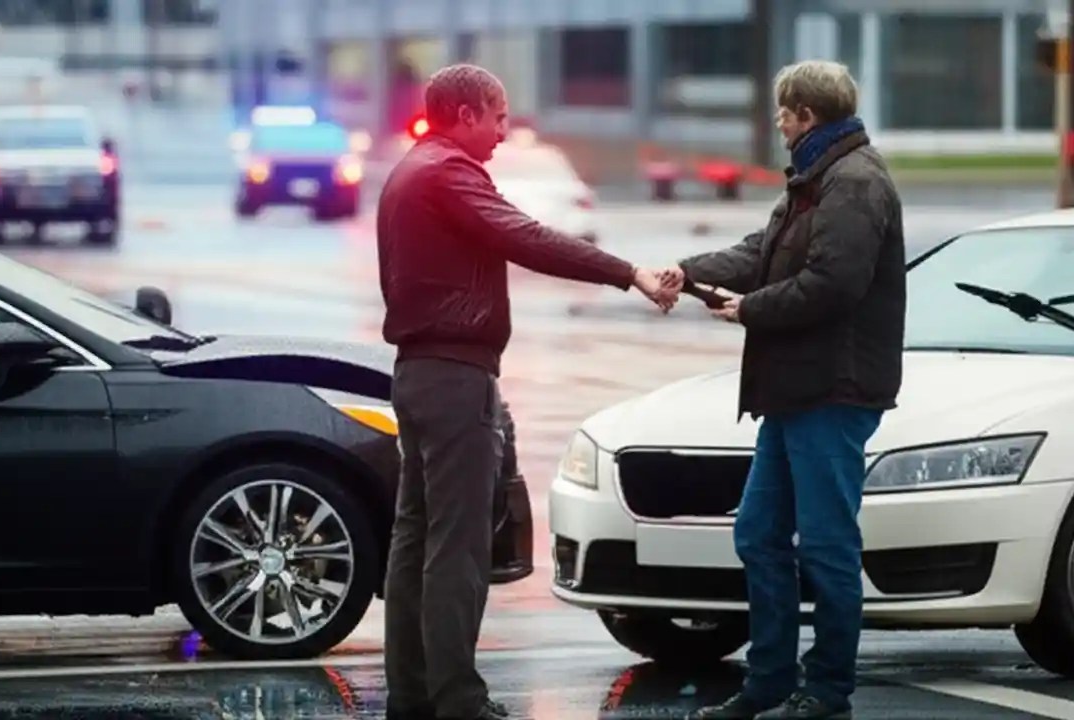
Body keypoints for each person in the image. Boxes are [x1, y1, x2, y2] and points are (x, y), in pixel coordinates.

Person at [377, 63, 677, 720]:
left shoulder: (410, 169)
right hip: (455, 379)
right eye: (499, 116)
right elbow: (526, 237)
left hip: (418, 373)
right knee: (456, 547)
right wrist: (628, 273)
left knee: (416, 539)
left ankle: (412, 694)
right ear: (466, 115)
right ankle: (456, 700)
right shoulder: (449, 172)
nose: (504, 131)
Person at [665, 60, 907, 720]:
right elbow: (761, 254)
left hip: (835, 389)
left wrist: (750, 310)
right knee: (758, 534)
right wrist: (682, 275)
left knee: (827, 544)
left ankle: (827, 689)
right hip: (795, 391)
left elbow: (834, 285)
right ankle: (769, 681)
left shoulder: (853, 182)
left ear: (805, 114)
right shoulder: (816, 179)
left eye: (783, 111)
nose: (777, 121)